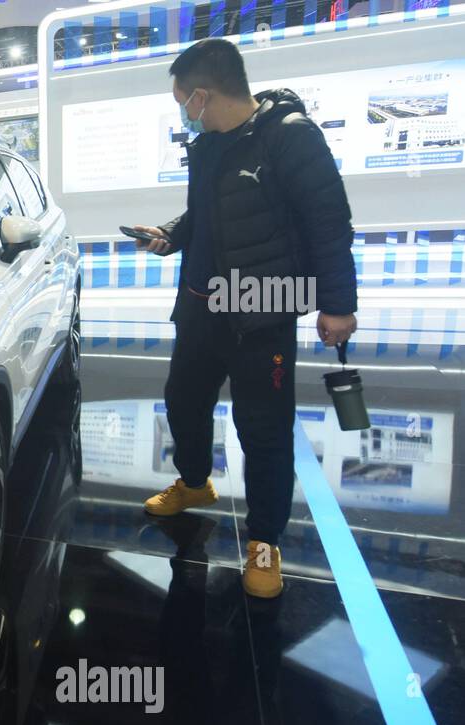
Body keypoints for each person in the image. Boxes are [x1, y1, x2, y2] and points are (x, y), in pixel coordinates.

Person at [132, 38, 358, 599]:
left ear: (204, 95)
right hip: (202, 307)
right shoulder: (210, 143)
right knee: (184, 401)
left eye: (184, 98)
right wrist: (172, 236)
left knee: (263, 430)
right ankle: (193, 484)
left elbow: (329, 224)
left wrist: (338, 306)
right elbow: (208, 212)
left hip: (263, 310)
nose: (183, 108)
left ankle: (263, 542)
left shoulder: (291, 136)